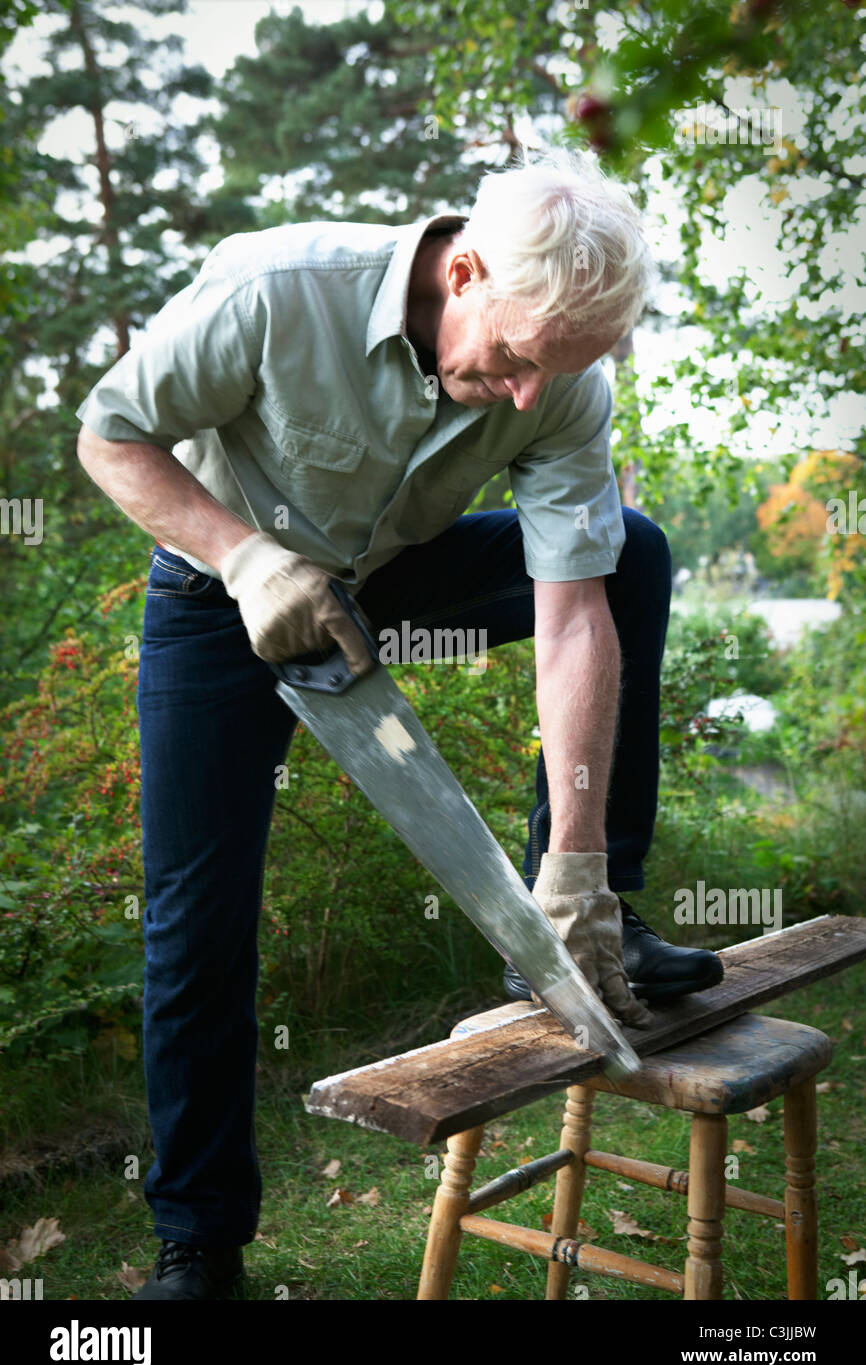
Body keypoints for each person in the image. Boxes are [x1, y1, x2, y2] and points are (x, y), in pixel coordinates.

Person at [75, 147, 722, 1301]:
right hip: (220, 595)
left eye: (554, 373)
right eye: (518, 358)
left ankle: (593, 920)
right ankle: (199, 1244)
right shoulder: (277, 291)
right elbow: (109, 432)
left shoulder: (559, 376)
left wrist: (571, 865)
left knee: (638, 553)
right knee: (195, 921)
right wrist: (243, 556)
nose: (530, 396)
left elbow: (570, 609)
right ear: (462, 270)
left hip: (390, 571)